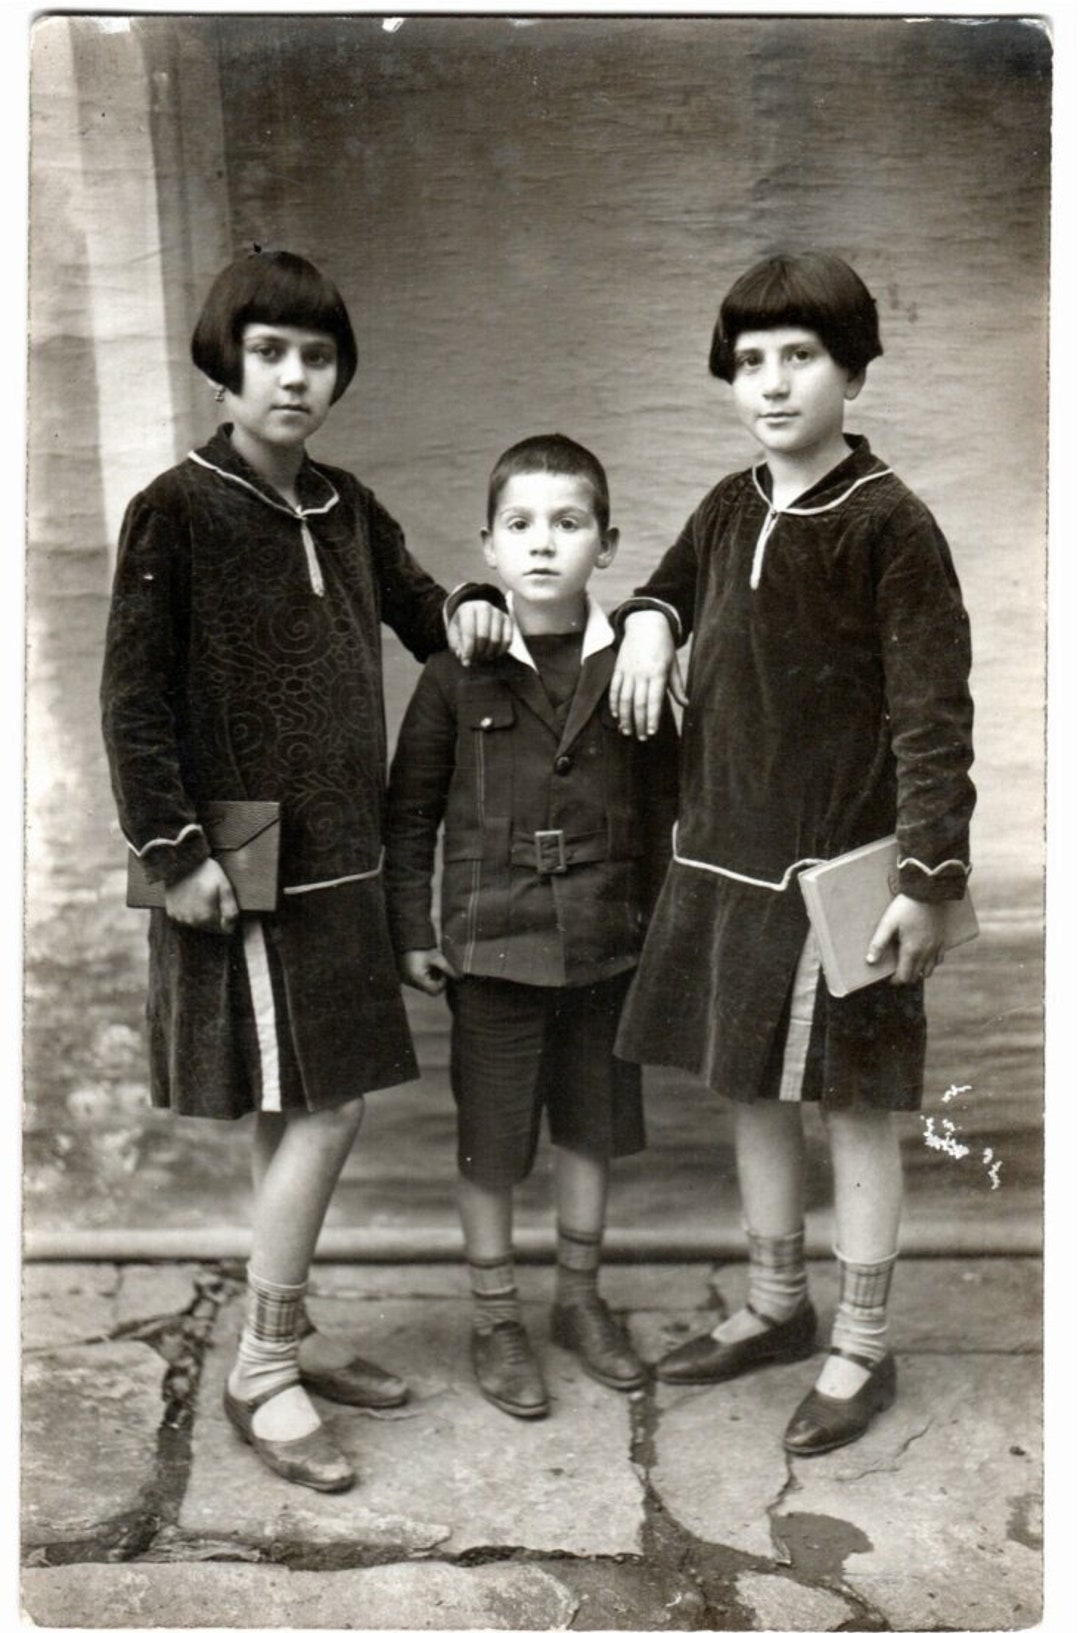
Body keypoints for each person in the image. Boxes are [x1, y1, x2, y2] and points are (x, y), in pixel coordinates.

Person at [100, 250, 510, 1493]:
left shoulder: (346, 504)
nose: (293, 375)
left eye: (315, 355)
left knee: (297, 1104)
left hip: (343, 858)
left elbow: (426, 608)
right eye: (269, 351)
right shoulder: (174, 509)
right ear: (224, 365)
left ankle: (291, 1334)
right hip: (239, 863)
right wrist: (173, 852)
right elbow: (131, 700)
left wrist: (479, 609)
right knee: (327, 1107)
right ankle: (261, 1369)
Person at [608, 252, 975, 1454]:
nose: (772, 384)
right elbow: (662, 587)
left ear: (854, 372)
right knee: (749, 1088)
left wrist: (927, 880)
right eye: (751, 361)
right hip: (725, 860)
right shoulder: (726, 504)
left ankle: (861, 1347)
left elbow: (933, 716)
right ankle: (775, 1303)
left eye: (800, 357)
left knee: (855, 1112)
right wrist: (655, 624)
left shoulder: (892, 527)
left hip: (846, 879)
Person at [384, 435, 679, 1419]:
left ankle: (580, 1301)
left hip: (605, 944)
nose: (544, 543)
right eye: (521, 525)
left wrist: (662, 934)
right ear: (488, 544)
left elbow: (667, 811)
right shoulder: (450, 673)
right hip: (492, 946)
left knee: (591, 1130)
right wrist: (411, 931)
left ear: (608, 541)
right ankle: (496, 1315)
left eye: (568, 522)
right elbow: (410, 812)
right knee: (494, 1141)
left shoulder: (632, 669)